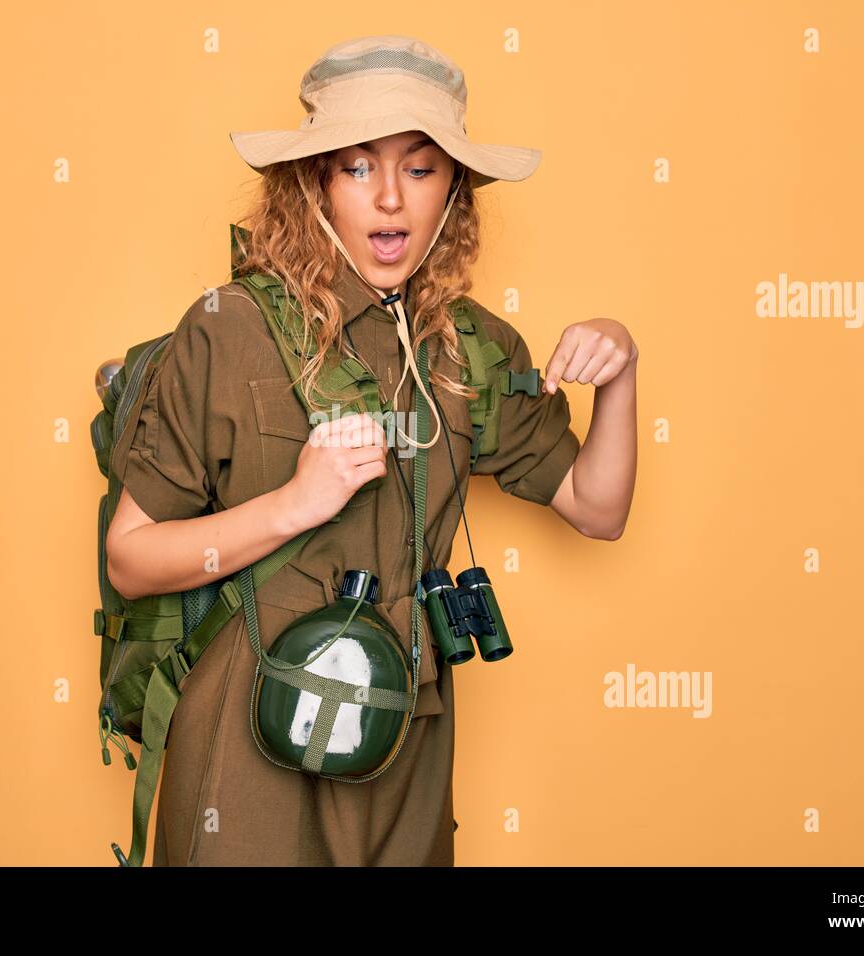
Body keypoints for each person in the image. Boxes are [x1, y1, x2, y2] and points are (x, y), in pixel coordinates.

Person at [105, 34, 638, 866]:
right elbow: (132, 561)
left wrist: (622, 371)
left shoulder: (472, 347)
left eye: (420, 169)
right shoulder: (229, 328)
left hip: (405, 742)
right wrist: (294, 502)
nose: (389, 198)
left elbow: (598, 510)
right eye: (357, 167)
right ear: (313, 183)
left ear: (454, 189)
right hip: (251, 743)